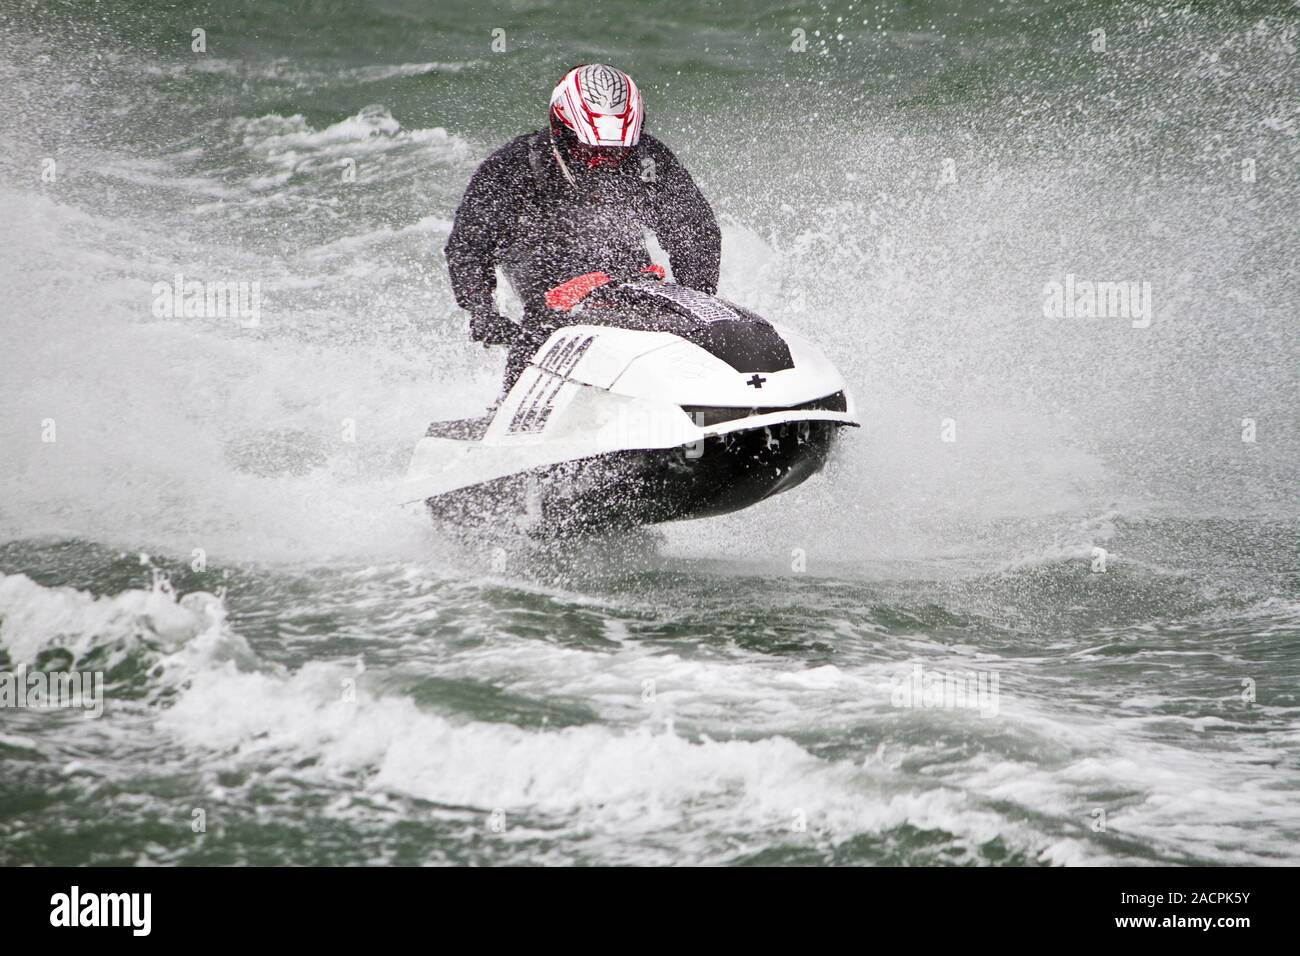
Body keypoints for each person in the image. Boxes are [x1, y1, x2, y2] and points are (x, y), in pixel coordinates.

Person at [444, 63, 721, 392]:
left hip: (631, 281)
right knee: (544, 325)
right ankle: (514, 411)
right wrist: (481, 310)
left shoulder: (649, 160)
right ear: (561, 130)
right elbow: (468, 248)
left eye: (616, 152)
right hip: (550, 294)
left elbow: (695, 229)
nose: (603, 162)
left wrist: (694, 298)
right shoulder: (512, 167)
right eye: (592, 150)